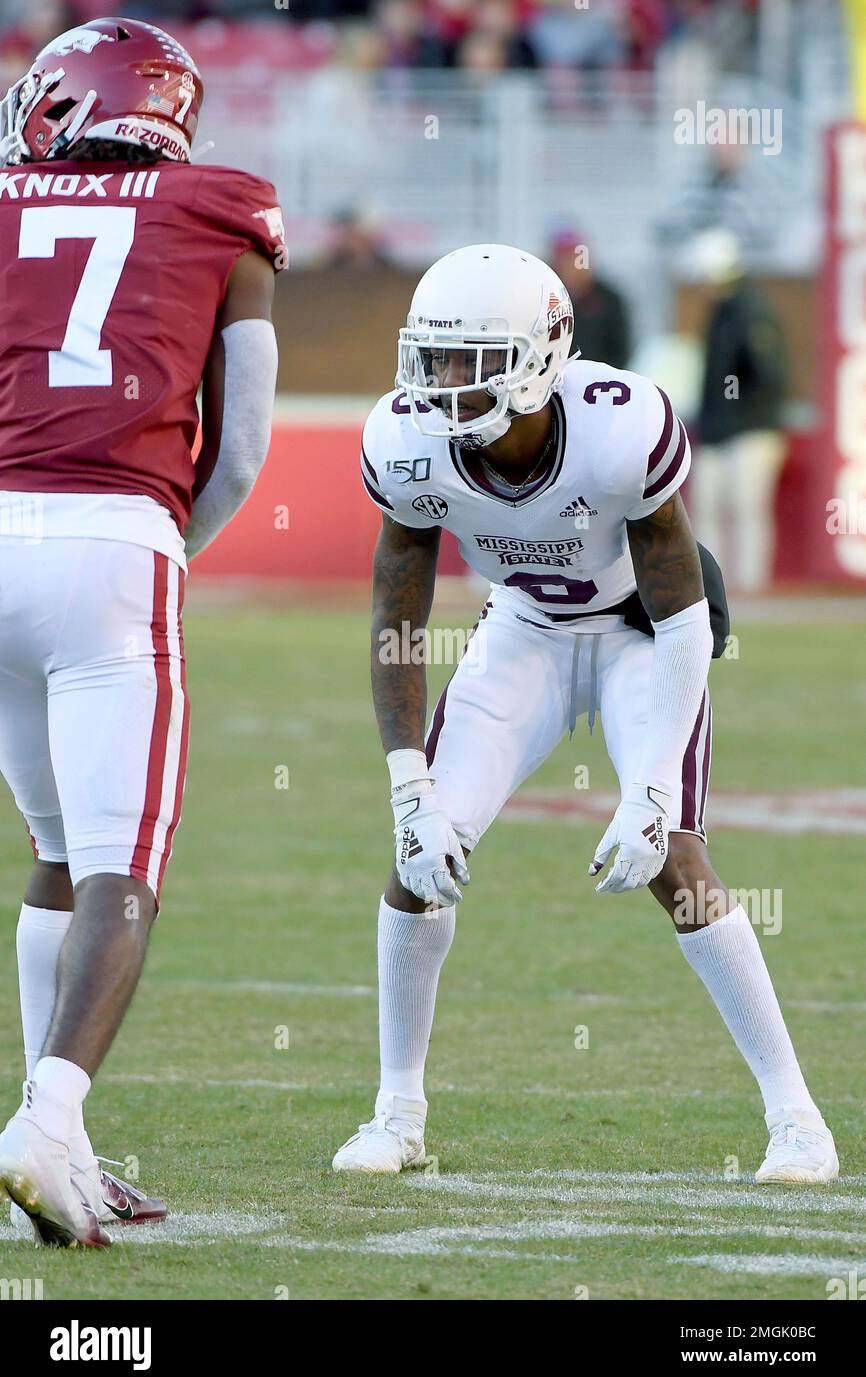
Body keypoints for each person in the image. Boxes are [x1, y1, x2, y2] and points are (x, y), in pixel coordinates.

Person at [332, 242, 836, 1185]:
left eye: (471, 359)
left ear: (538, 359)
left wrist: (649, 791)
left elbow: (684, 614)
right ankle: (396, 1115)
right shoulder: (406, 442)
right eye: (434, 359)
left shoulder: (617, 427)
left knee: (675, 856)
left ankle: (797, 1121)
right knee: (419, 856)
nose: (444, 383)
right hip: (523, 625)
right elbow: (397, 612)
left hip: (640, 632)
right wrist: (408, 788)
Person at [0, 17, 284, 1247]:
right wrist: (167, 541)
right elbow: (245, 446)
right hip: (117, 543)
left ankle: (53, 1129)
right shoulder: (221, 211)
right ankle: (48, 1119)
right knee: (124, 869)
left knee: (57, 847)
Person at [688, 229, 787, 593]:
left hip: (749, 431)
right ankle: (714, 587)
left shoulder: (750, 311)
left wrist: (734, 414)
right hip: (720, 431)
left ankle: (750, 587)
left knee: (746, 510)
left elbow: (769, 376)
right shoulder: (724, 312)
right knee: (710, 510)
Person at [549, 228, 631, 368]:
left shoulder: (608, 300)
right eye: (563, 258)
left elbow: (620, 350)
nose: (568, 264)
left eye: (572, 257)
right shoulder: (544, 297)